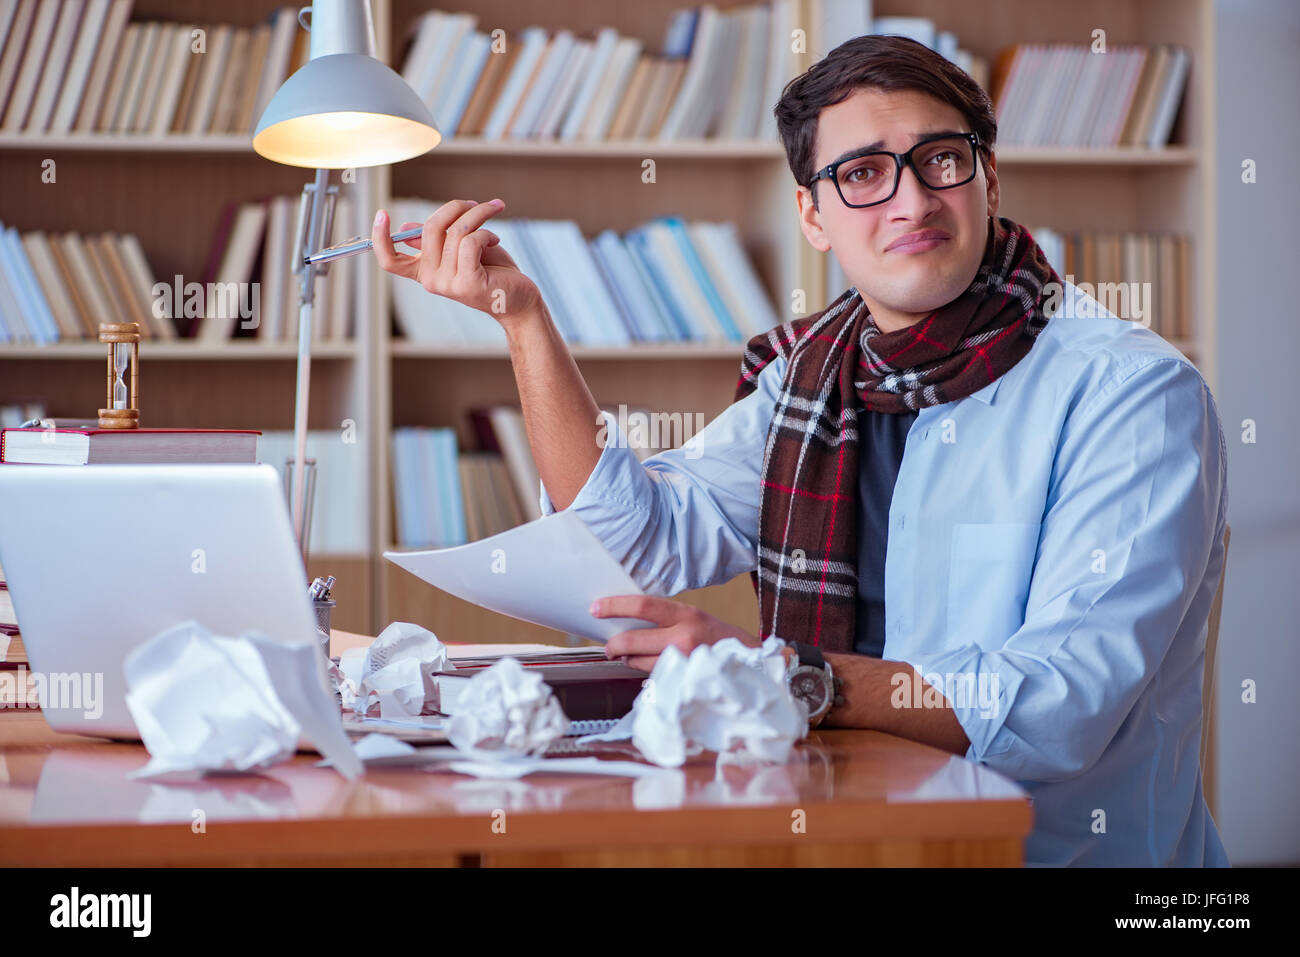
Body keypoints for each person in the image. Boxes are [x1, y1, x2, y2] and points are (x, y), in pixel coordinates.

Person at [371, 35, 1229, 867]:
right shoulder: (811, 378)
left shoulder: (1132, 395)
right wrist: (523, 320)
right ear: (813, 216)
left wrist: (789, 676)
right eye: (862, 174)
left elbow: (1059, 700)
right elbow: (637, 542)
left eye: (940, 159)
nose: (912, 201)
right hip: (841, 831)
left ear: (987, 177)